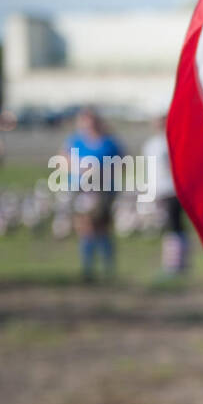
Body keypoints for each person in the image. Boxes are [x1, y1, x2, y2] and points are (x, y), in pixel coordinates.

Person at [59, 108, 122, 281]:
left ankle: (108, 267)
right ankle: (88, 268)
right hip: (81, 189)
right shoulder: (75, 141)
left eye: (91, 121)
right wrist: (80, 168)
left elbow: (122, 163)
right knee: (85, 228)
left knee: (102, 228)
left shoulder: (109, 142)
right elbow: (62, 162)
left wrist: (101, 171)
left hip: (103, 190)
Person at [141, 116, 187, 276]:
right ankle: (171, 262)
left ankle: (177, 263)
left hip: (171, 189)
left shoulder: (170, 140)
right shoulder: (151, 144)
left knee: (174, 225)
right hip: (158, 189)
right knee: (166, 226)